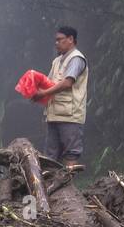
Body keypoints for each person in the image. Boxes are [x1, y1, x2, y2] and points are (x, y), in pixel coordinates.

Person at [33, 25, 88, 168]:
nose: (56, 43)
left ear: (70, 39)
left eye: (59, 40)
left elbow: (67, 83)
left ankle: (69, 187)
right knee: (51, 154)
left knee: (71, 152)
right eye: (56, 40)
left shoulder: (76, 58)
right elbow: (49, 83)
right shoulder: (57, 61)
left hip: (70, 114)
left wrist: (43, 93)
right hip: (54, 114)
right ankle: (51, 188)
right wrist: (35, 90)